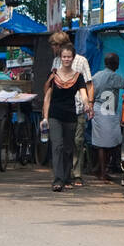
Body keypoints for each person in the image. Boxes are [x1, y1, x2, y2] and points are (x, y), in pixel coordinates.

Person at [42, 45, 90, 191]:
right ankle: (57, 180)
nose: (67, 59)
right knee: (57, 146)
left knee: (69, 148)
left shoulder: (78, 76)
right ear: (60, 58)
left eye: (69, 56)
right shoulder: (53, 75)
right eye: (64, 56)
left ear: (73, 58)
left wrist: (87, 104)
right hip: (54, 116)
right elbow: (47, 98)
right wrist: (45, 118)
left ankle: (67, 177)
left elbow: (83, 94)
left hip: (70, 116)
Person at [89, 52, 124, 181]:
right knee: (106, 144)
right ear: (114, 64)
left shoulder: (96, 76)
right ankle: (103, 172)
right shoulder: (115, 77)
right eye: (117, 62)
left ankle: (100, 170)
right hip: (107, 111)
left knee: (106, 143)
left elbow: (91, 91)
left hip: (99, 110)